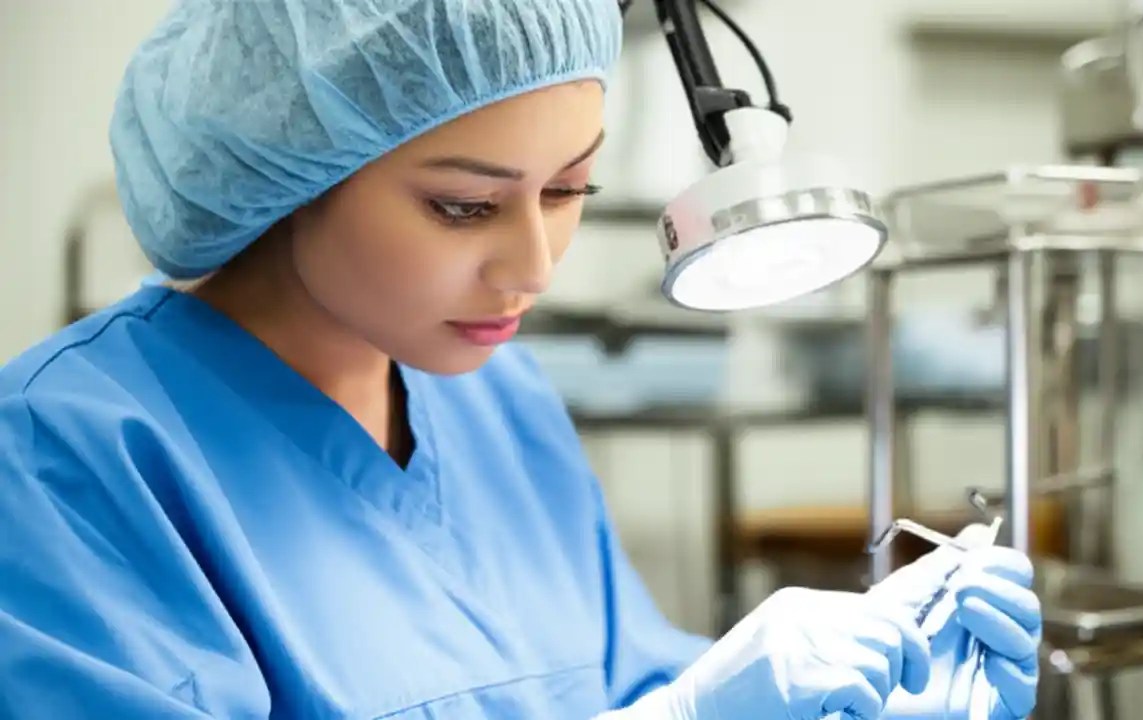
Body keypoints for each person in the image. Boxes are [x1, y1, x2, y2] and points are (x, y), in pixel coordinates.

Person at [0, 1, 1041, 718]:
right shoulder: (66, 462)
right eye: (463, 206)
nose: (533, 264)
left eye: (567, 191)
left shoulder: (502, 406)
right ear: (290, 163)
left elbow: (620, 684)